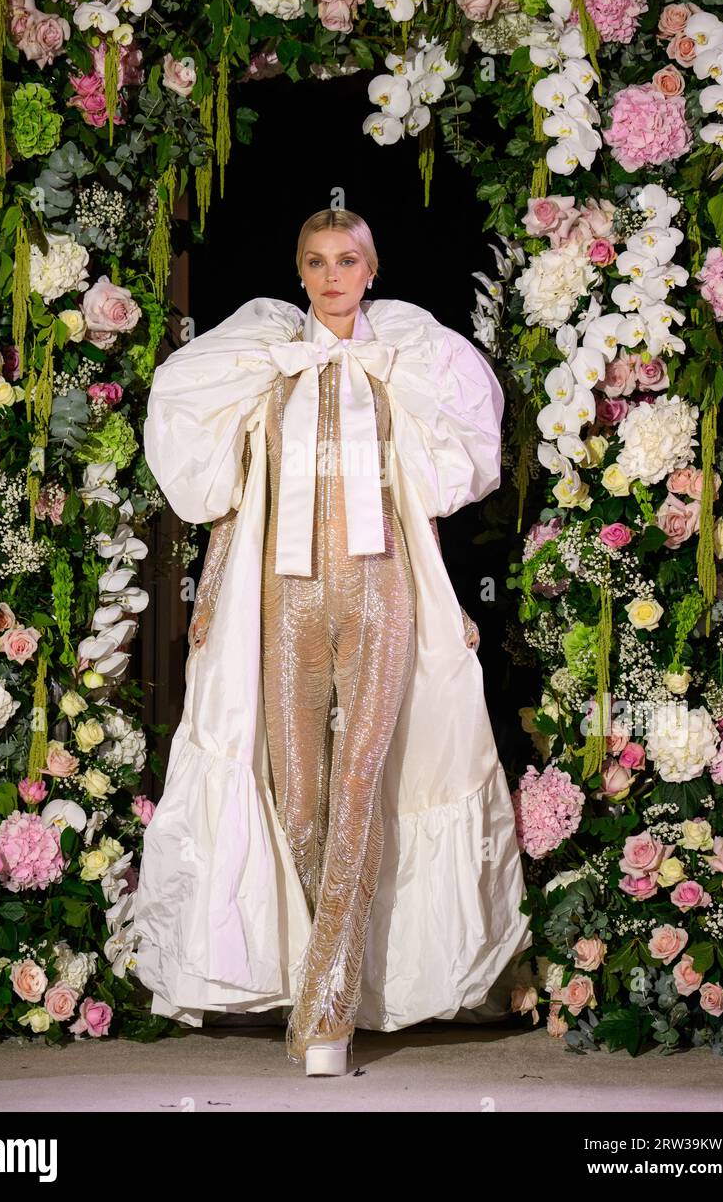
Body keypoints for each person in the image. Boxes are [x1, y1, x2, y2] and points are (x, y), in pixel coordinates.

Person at [131, 209, 532, 1077]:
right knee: (302, 803)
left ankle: (328, 1010)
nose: (331, 275)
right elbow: (238, 491)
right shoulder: (266, 360)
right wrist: (212, 589)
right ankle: (326, 964)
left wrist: (447, 596)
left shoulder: (400, 361)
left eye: (347, 259)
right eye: (315, 260)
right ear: (301, 270)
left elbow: (422, 494)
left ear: (372, 268)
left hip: (383, 594)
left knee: (361, 788)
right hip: (285, 601)